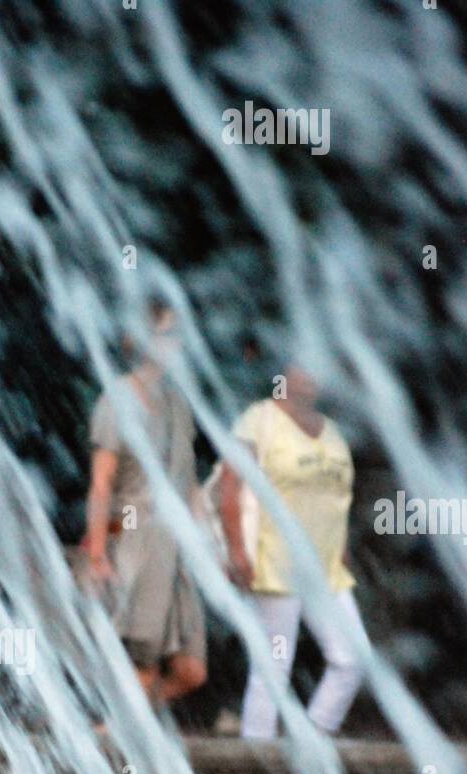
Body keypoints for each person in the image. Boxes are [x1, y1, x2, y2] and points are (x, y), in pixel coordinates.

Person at [219, 364, 367, 739]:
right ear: (283, 373)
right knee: (274, 664)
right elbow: (229, 485)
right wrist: (236, 548)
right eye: (303, 369)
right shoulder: (259, 420)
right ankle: (257, 755)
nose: (312, 377)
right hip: (276, 562)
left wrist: (343, 542)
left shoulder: (330, 429)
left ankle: (312, 741)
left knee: (352, 657)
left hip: (326, 566)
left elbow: (336, 492)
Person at [81, 303, 207, 705]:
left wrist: (208, 544)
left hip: (178, 549)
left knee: (191, 671)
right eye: (165, 335)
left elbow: (188, 481)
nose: (174, 344)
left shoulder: (179, 405)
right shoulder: (117, 399)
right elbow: (101, 484)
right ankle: (122, 747)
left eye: (177, 335)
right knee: (143, 664)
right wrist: (99, 554)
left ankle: (113, 732)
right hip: (137, 540)